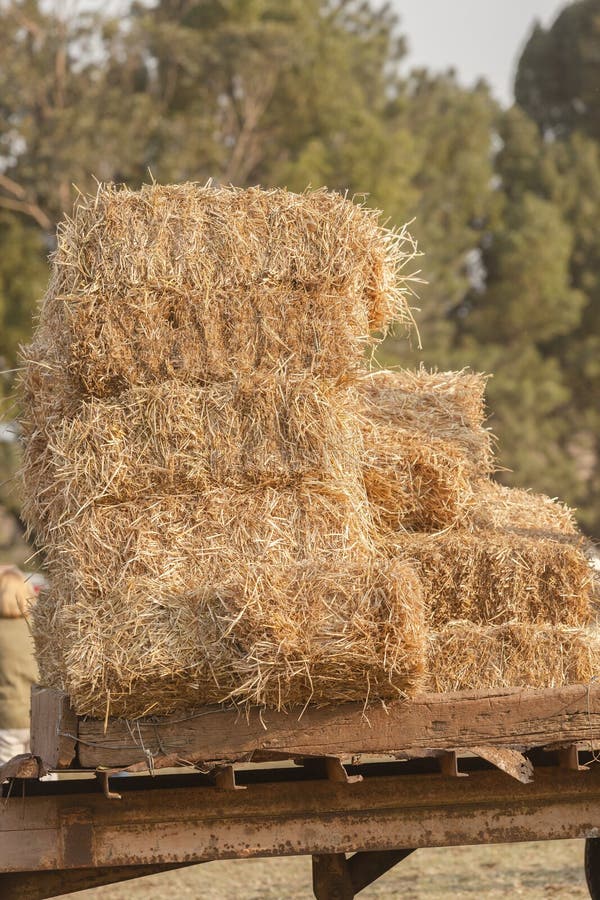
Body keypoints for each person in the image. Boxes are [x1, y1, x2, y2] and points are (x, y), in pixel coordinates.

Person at [0, 566, 38, 765]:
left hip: (7, 719)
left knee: (6, 785)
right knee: (46, 778)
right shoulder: (39, 628)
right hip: (40, 716)